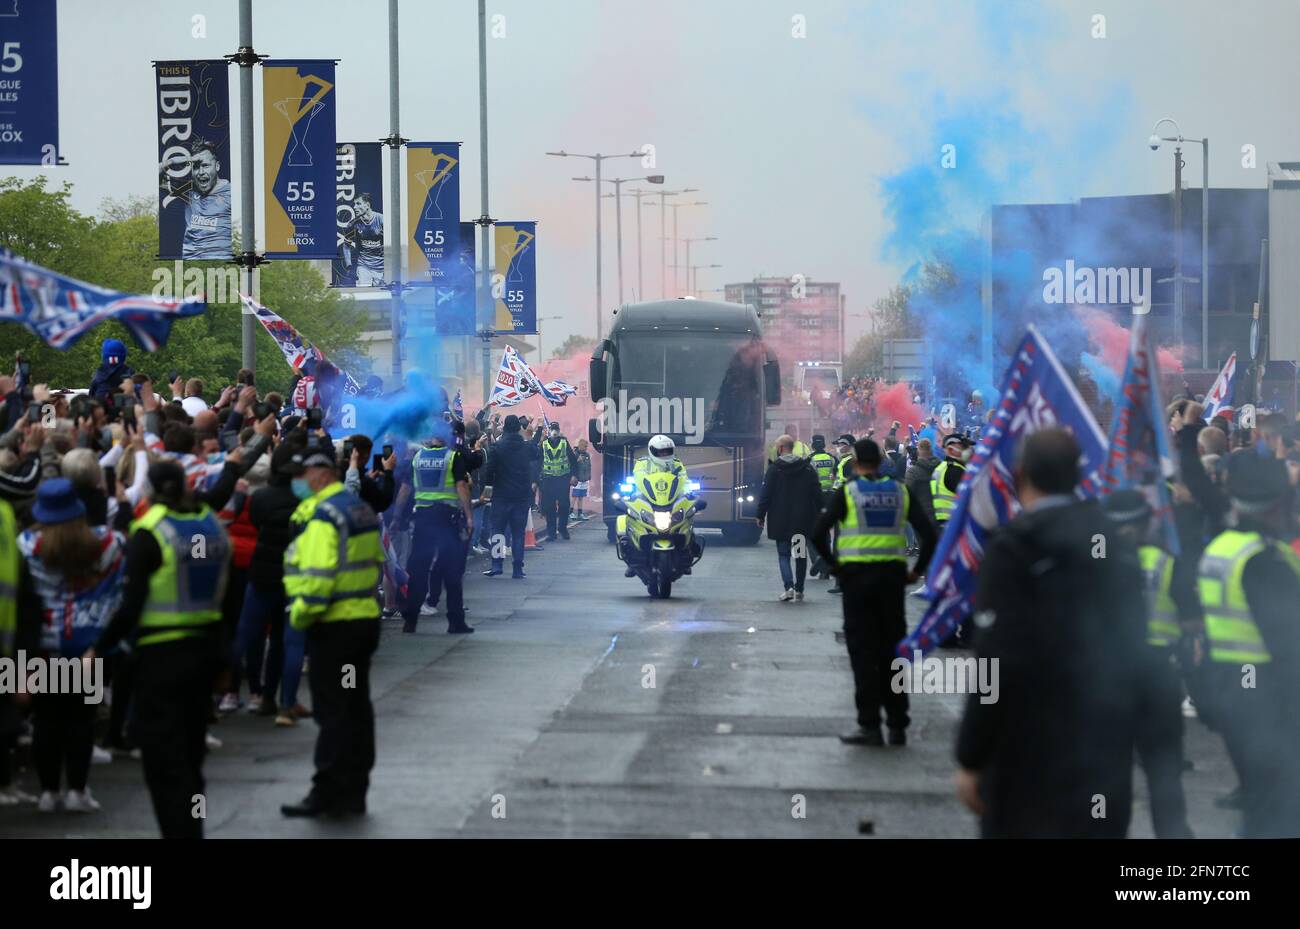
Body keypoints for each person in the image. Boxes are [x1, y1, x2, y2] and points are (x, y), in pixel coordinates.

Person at [954, 428, 1146, 838]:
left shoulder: (1013, 547)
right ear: (1078, 476)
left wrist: (971, 754)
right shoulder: (1112, 541)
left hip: (1026, 752)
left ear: (1020, 474)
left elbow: (994, 658)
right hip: (1102, 747)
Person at [90, 460, 232, 838]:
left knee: (163, 761)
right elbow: (209, 584)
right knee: (191, 757)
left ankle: (178, 833)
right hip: (205, 651)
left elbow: (131, 603)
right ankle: (192, 829)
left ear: (149, 492)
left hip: (161, 659)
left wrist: (98, 648)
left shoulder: (150, 532)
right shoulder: (208, 524)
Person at [1195, 453, 1300, 838]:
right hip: (1266, 691)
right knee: (1278, 805)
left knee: (1261, 799)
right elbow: (1289, 643)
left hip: (1229, 684)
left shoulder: (1221, 549)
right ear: (1278, 500)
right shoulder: (1263, 560)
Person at [280, 444, 386, 818]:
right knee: (356, 706)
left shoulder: (326, 516)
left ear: (323, 474)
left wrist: (300, 619)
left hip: (335, 628)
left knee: (334, 710)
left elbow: (319, 580)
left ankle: (327, 789)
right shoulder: (359, 509)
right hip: (362, 621)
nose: (297, 482)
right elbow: (377, 563)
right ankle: (354, 789)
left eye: (302, 475)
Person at [811, 438, 936, 746]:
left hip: (856, 580)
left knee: (863, 652)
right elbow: (929, 534)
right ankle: (897, 724)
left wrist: (834, 567)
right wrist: (917, 571)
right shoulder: (900, 491)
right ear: (881, 461)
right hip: (892, 580)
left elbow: (817, 534)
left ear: (855, 461)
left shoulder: (849, 492)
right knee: (893, 650)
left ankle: (869, 725)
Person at [17, 479, 127, 813]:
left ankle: (49, 793)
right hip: (88, 649)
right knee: (82, 719)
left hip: (39, 647)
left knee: (44, 721)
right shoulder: (108, 544)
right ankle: (78, 790)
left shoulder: (25, 545)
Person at [1100, 489, 1193, 838]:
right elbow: (1192, 623)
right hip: (1158, 675)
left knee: (1109, 772)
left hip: (1108, 677)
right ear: (1145, 521)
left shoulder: (1094, 561)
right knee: (1164, 770)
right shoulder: (1167, 561)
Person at [401, 430, 473, 634]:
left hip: (423, 519)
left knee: (418, 570)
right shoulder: (452, 458)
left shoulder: (417, 457)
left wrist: (398, 515)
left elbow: (405, 488)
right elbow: (461, 486)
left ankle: (410, 619)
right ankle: (456, 621)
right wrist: (469, 516)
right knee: (452, 571)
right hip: (447, 520)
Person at [757, 435, 825, 602]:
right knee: (800, 555)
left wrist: (760, 515)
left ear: (780, 448)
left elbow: (766, 495)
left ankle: (788, 588)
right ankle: (800, 590)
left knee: (784, 555)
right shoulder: (807, 469)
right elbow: (817, 493)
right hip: (801, 521)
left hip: (780, 521)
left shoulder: (774, 470)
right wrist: (823, 513)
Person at [483, 415, 540, 579]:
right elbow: (536, 454)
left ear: (505, 428)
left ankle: (497, 564)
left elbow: (489, 471)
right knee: (518, 532)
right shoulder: (526, 447)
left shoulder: (497, 447)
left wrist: (487, 493)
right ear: (518, 428)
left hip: (501, 495)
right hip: (521, 495)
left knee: (498, 531)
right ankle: (517, 567)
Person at [539, 421, 578, 542]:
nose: (554, 432)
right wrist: (537, 479)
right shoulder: (544, 444)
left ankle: (562, 528)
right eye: (552, 429)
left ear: (559, 430)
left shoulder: (564, 443)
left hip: (562, 479)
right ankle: (551, 533)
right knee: (549, 507)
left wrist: (574, 475)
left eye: (556, 429)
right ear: (549, 430)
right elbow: (539, 461)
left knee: (564, 506)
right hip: (548, 480)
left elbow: (573, 460)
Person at [89, 339, 135, 405]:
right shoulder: (129, 373)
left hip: (101, 411)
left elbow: (91, 396)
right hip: (124, 411)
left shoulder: (98, 375)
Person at [570, 438, 592, 521]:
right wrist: (577, 460)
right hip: (577, 479)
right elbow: (571, 465)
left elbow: (589, 466)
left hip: (584, 479)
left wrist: (589, 476)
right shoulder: (575, 454)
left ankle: (580, 513)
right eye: (585, 446)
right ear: (580, 446)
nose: (586, 448)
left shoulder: (587, 455)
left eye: (587, 446)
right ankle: (571, 512)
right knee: (575, 496)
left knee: (581, 497)